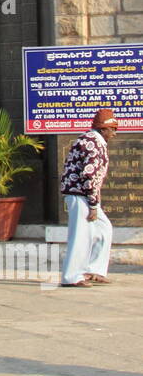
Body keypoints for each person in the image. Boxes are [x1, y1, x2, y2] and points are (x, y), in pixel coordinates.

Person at [59, 108, 118, 288]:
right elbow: (89, 176)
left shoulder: (92, 140)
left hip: (85, 195)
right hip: (80, 195)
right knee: (81, 236)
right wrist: (93, 205)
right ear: (103, 129)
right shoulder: (92, 143)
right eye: (112, 129)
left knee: (104, 229)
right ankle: (72, 277)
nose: (114, 134)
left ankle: (96, 269)